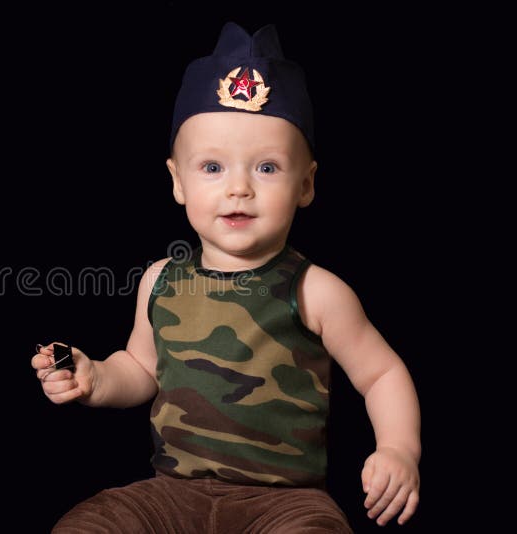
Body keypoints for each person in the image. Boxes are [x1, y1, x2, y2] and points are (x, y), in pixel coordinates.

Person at [32, 22, 420, 533]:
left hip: (284, 502)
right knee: (87, 526)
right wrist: (97, 378)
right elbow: (142, 367)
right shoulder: (160, 280)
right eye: (212, 168)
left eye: (267, 168)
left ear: (305, 184)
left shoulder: (316, 291)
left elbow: (381, 374)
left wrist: (399, 449)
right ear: (178, 182)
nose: (239, 188)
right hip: (171, 494)